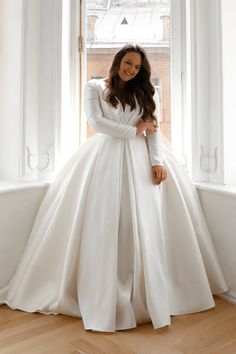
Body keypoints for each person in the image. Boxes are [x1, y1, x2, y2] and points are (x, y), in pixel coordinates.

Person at [0, 44, 228, 332]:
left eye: (137, 67)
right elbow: (98, 124)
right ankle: (103, 295)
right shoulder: (95, 87)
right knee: (105, 223)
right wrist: (135, 131)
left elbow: (153, 131)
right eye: (128, 62)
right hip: (104, 160)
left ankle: (146, 293)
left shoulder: (146, 92)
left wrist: (157, 162)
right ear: (118, 61)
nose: (131, 69)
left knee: (142, 225)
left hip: (140, 163)